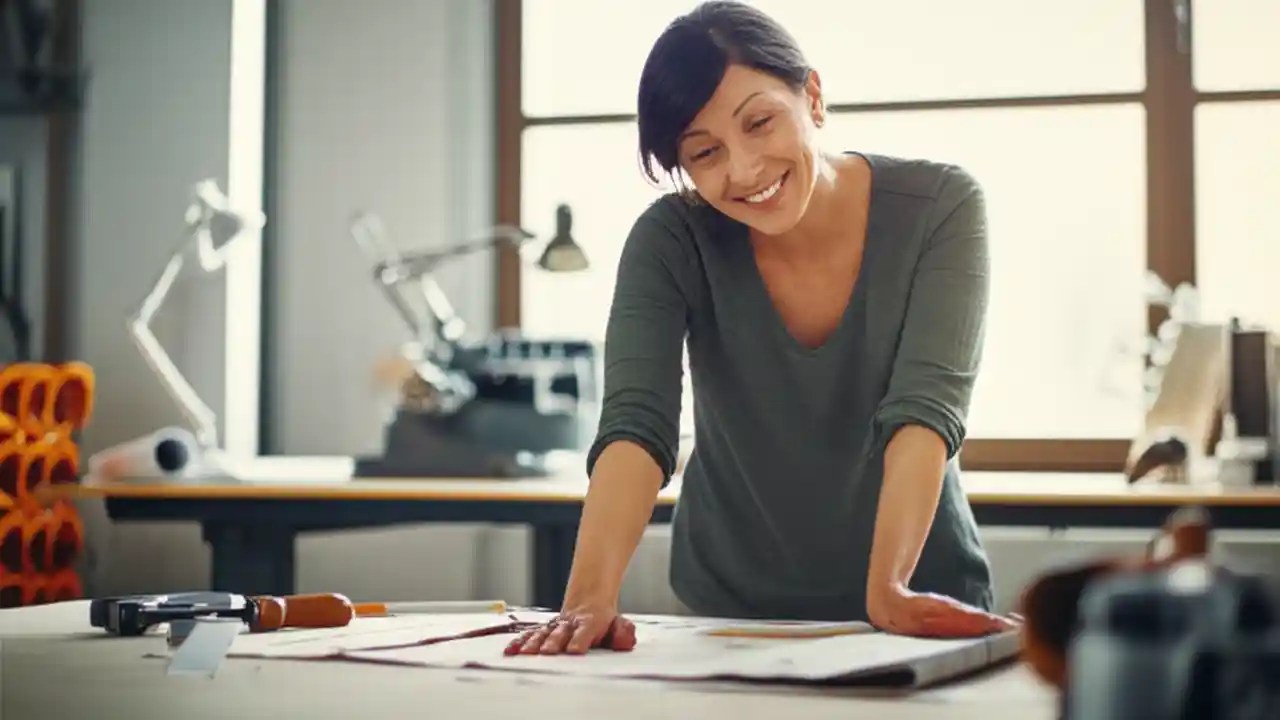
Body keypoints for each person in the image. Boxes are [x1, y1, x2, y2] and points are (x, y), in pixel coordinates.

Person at [506, 0, 1017, 657]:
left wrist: (888, 587)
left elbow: (926, 410)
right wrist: (586, 598)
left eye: (760, 123)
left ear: (812, 95)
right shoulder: (672, 239)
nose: (743, 169)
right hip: (731, 615)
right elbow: (638, 424)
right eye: (705, 152)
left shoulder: (941, 207)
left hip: (917, 603)